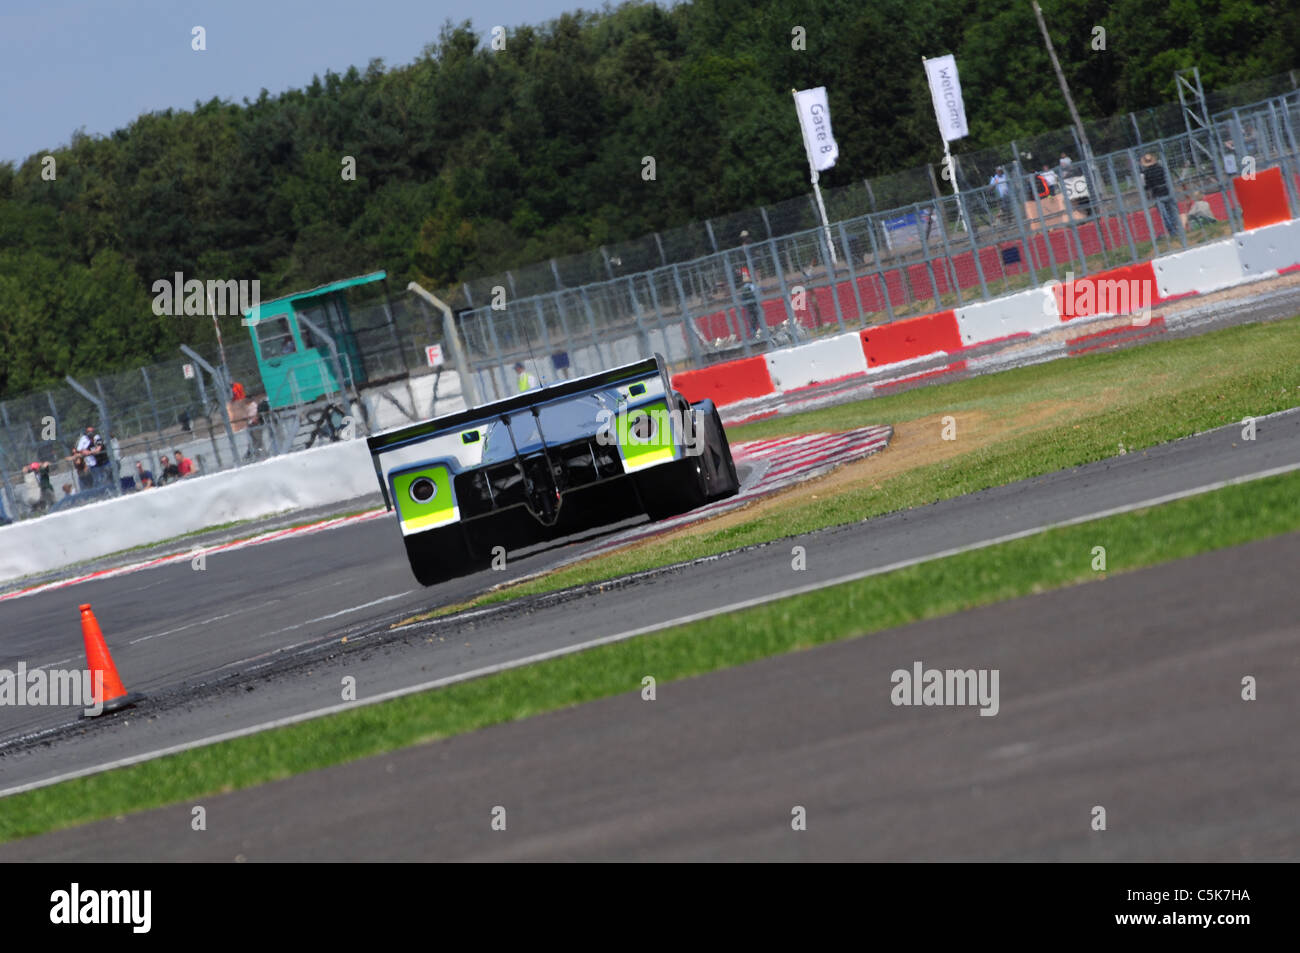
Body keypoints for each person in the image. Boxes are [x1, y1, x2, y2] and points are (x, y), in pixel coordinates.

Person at [1139, 153, 1181, 238]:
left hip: (1157, 193)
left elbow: (1146, 186)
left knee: (1164, 214)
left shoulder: (1145, 173)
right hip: (1166, 190)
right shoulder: (1161, 168)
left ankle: (1172, 230)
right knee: (1172, 210)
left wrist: (1148, 193)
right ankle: (1177, 227)